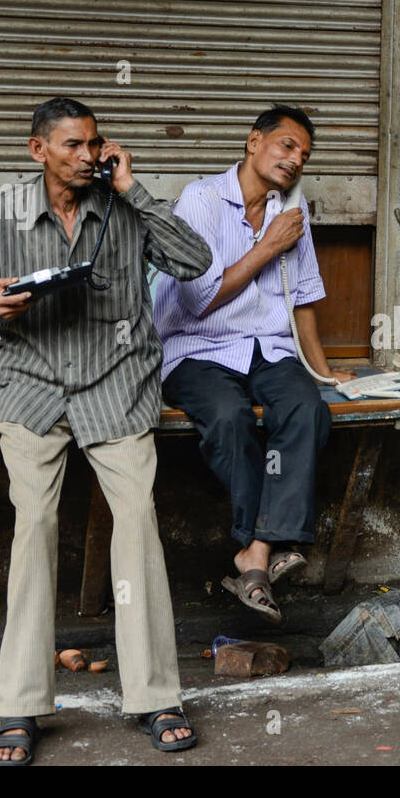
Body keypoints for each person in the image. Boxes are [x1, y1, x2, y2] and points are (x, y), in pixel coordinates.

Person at [0, 97, 213, 763]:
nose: (88, 155)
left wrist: (136, 189)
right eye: (72, 145)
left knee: (137, 522)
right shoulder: (5, 209)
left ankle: (156, 694)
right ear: (38, 150)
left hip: (116, 387)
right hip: (33, 387)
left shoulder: (123, 203)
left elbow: (194, 261)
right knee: (33, 526)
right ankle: (20, 703)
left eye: (94, 144)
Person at [154, 105, 354, 624]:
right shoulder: (200, 200)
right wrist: (267, 247)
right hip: (196, 347)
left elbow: (304, 299)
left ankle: (255, 551)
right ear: (253, 142)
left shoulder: (292, 207)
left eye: (304, 155)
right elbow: (200, 299)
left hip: (266, 348)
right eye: (287, 145)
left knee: (309, 411)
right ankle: (267, 543)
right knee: (228, 416)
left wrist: (324, 371)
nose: (295, 160)